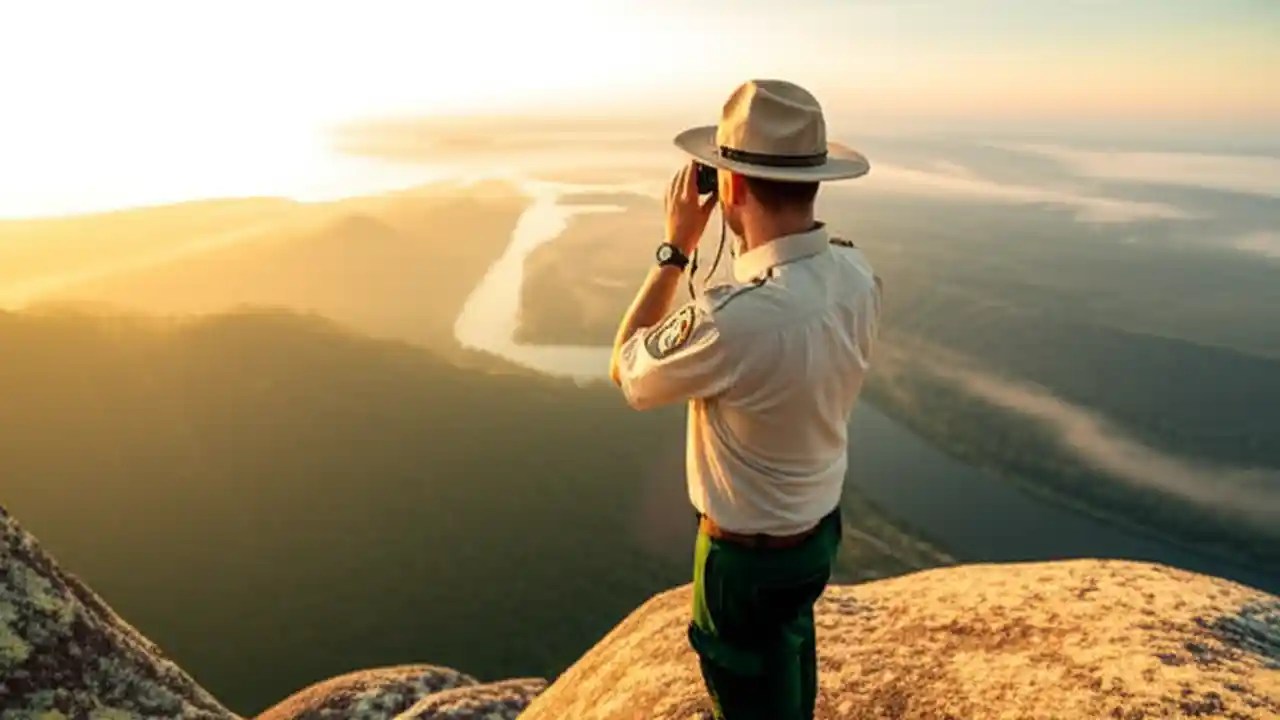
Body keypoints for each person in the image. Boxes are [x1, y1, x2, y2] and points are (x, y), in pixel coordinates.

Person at [608, 79, 882, 719]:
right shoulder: (855, 274)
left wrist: (674, 250)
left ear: (728, 186)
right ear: (815, 180)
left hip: (744, 566)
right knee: (788, 675)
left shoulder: (736, 320)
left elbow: (627, 366)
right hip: (816, 538)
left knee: (748, 699)